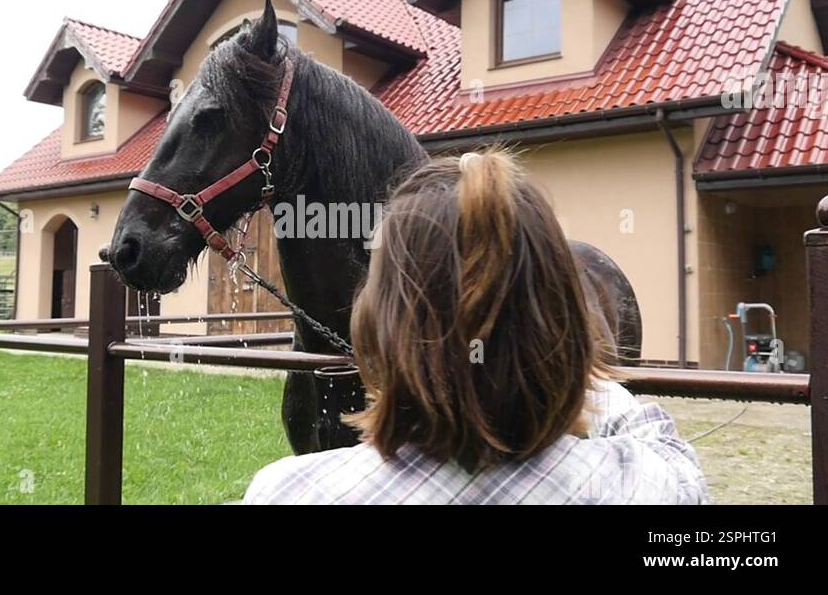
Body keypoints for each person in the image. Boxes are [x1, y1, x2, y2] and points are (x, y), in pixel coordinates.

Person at [244, 150, 709, 505]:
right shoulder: (648, 484)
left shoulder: (288, 492)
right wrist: (574, 365)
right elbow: (660, 438)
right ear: (570, 330)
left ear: (376, 324)